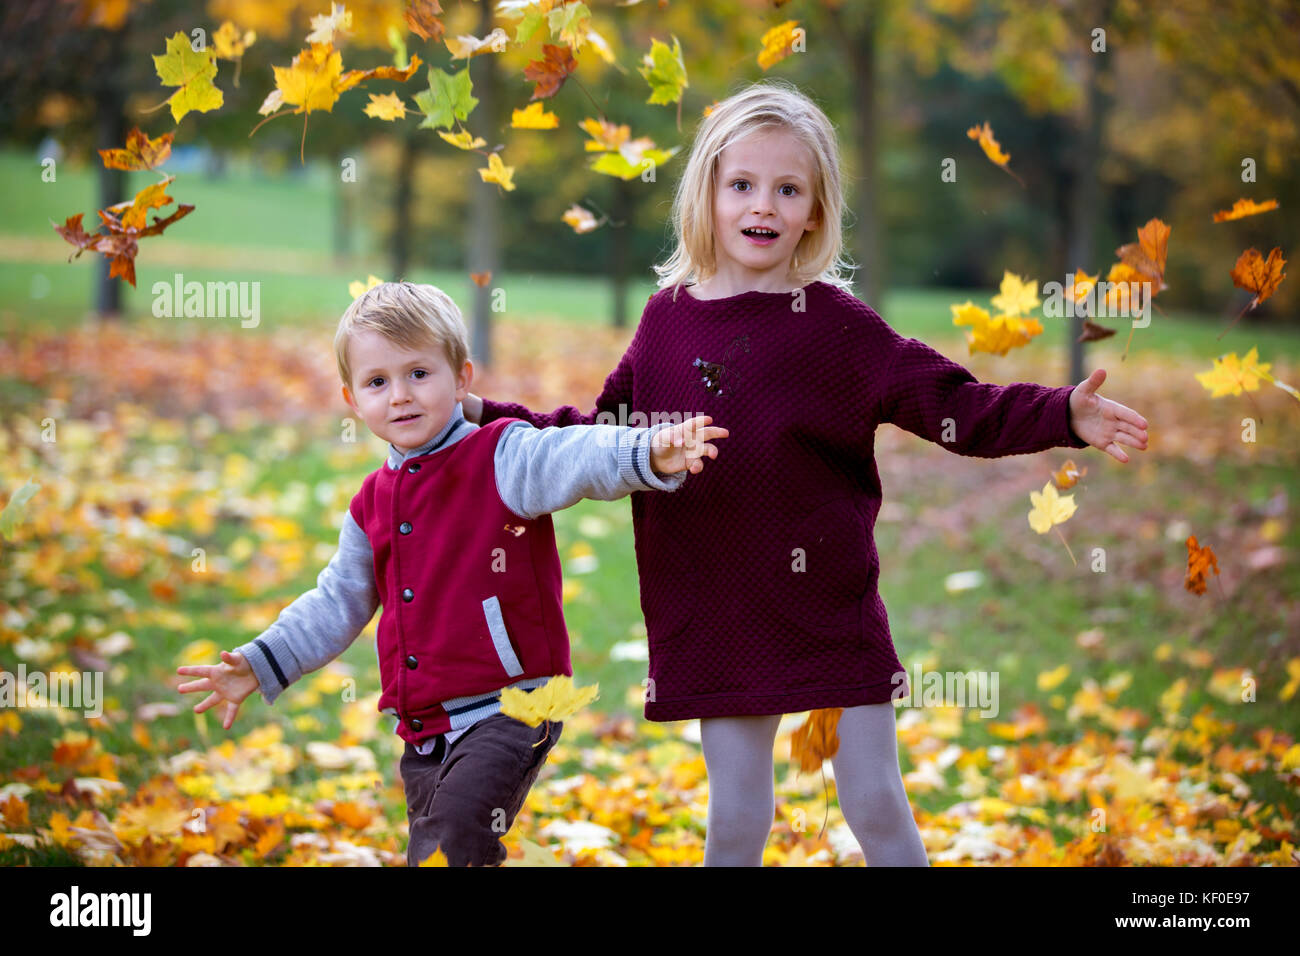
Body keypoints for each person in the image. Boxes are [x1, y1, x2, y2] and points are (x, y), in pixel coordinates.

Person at [462, 80, 1150, 866]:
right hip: (714, 606)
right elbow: (602, 437)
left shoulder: (837, 328)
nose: (765, 205)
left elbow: (956, 407)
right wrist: (498, 423)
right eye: (743, 184)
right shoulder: (665, 321)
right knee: (738, 814)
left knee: (876, 802)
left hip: (830, 605)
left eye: (789, 189)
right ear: (709, 195)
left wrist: (1063, 413)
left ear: (816, 210)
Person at [176, 281, 728, 867]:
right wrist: (261, 662)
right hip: (425, 731)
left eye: (420, 373)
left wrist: (646, 453)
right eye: (378, 382)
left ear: (462, 377)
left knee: (451, 843)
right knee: (438, 855)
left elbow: (572, 455)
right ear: (352, 398)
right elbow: (335, 601)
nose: (401, 397)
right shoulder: (370, 504)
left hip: (512, 708)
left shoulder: (500, 456)